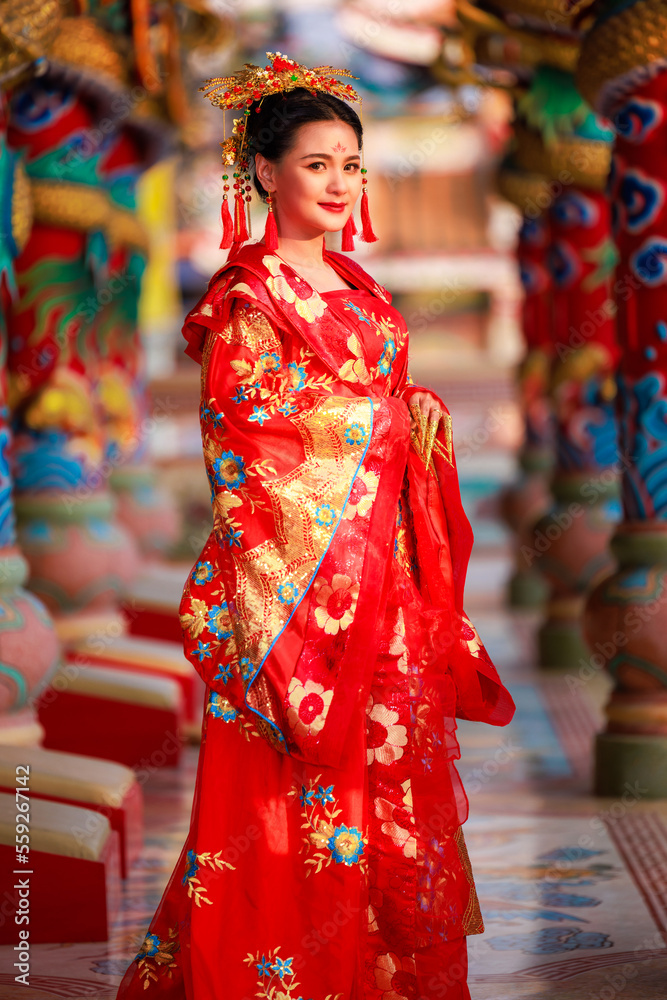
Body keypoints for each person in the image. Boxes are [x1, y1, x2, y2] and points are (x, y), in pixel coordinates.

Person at [115, 51, 515, 1000]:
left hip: (385, 589)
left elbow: (374, 399)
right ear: (263, 172)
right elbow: (248, 433)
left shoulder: (363, 292)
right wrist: (377, 422)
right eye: (316, 164)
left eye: (351, 165)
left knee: (389, 780)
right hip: (297, 599)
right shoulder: (247, 299)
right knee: (284, 801)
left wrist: (411, 412)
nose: (339, 185)